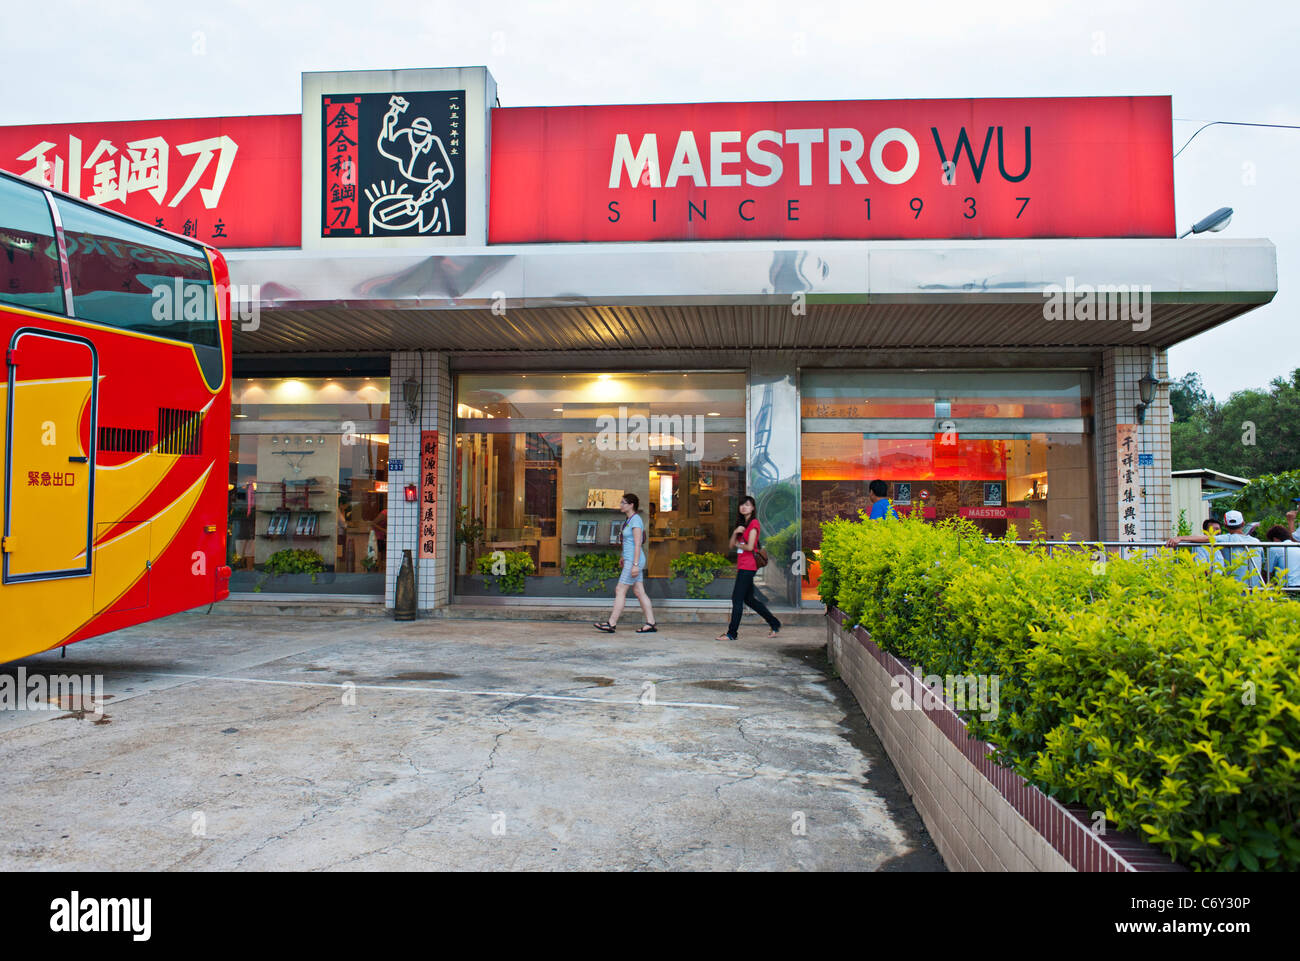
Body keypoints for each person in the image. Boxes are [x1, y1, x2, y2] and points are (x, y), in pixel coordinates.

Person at [717, 495, 781, 641]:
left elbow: (750, 546)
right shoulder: (742, 524)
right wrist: (735, 532)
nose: (744, 507)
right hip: (743, 566)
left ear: (753, 508)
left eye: (747, 505)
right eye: (742, 505)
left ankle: (732, 633)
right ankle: (774, 622)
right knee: (750, 600)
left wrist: (739, 544)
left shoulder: (753, 524)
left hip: (748, 566)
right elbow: (730, 545)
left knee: (737, 599)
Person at [594, 493, 657, 633]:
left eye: (623, 503)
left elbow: (637, 544)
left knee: (620, 589)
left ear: (631, 505)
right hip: (630, 559)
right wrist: (623, 556)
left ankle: (611, 623)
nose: (620, 505)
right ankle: (651, 622)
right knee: (639, 591)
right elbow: (627, 543)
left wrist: (634, 564)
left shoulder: (636, 520)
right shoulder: (628, 520)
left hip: (634, 560)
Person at [1167, 510, 1263, 588]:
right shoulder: (1256, 542)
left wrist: (1180, 538)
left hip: (1234, 588)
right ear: (1243, 523)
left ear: (1225, 526)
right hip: (1256, 588)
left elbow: (1207, 538)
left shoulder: (1227, 539)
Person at [1263, 525, 1300, 589]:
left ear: (1275, 539)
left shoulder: (1275, 548)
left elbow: (1267, 572)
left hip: (1285, 586)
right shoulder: (1297, 546)